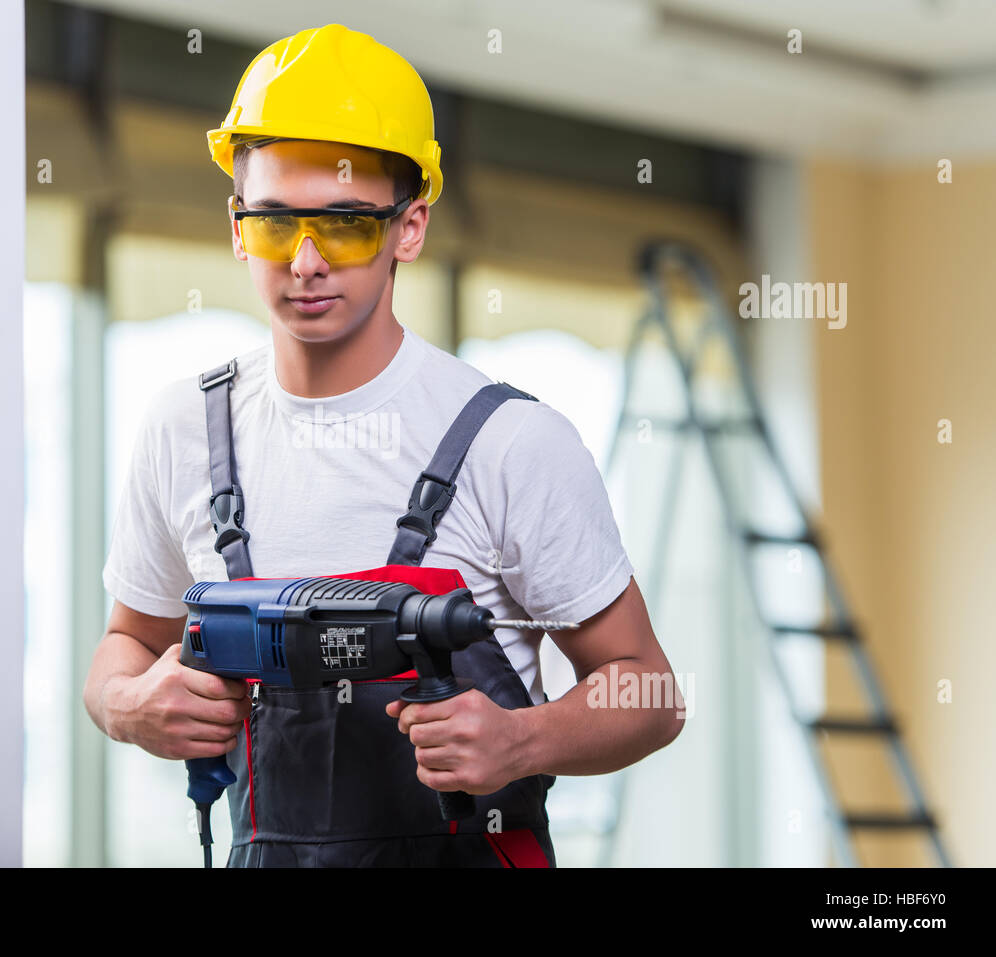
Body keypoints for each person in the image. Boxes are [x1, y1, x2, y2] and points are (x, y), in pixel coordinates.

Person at [84, 23, 683, 868]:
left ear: (410, 228)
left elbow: (652, 693)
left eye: (344, 225)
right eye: (273, 223)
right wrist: (128, 704)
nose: (304, 261)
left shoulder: (509, 442)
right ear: (235, 227)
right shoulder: (184, 429)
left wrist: (521, 738)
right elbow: (122, 647)